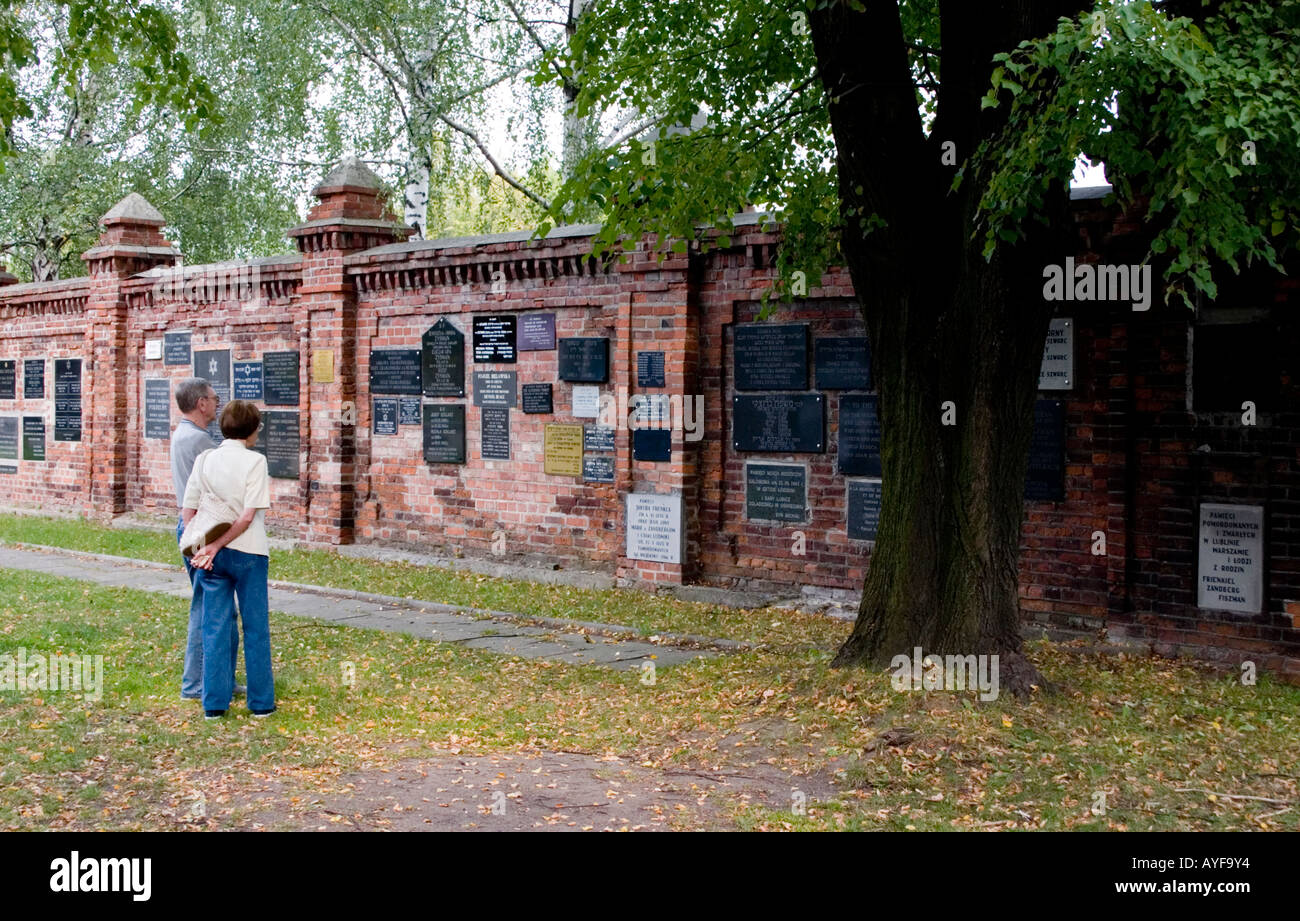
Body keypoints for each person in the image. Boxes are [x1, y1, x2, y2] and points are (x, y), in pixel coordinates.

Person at [182, 400, 275, 719]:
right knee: (255, 628)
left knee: (215, 627)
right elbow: (248, 516)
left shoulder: (205, 459)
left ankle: (214, 703)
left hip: (210, 557)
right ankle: (261, 703)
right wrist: (220, 544)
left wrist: (204, 547)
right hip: (249, 553)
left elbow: (189, 509)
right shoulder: (255, 462)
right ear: (252, 430)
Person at [170, 378, 240, 701]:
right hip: (202, 530)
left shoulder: (184, 435)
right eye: (214, 398)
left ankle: (218, 679)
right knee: (207, 608)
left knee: (218, 608)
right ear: (201, 404)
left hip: (193, 528)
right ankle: (196, 684)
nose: (217, 403)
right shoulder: (199, 443)